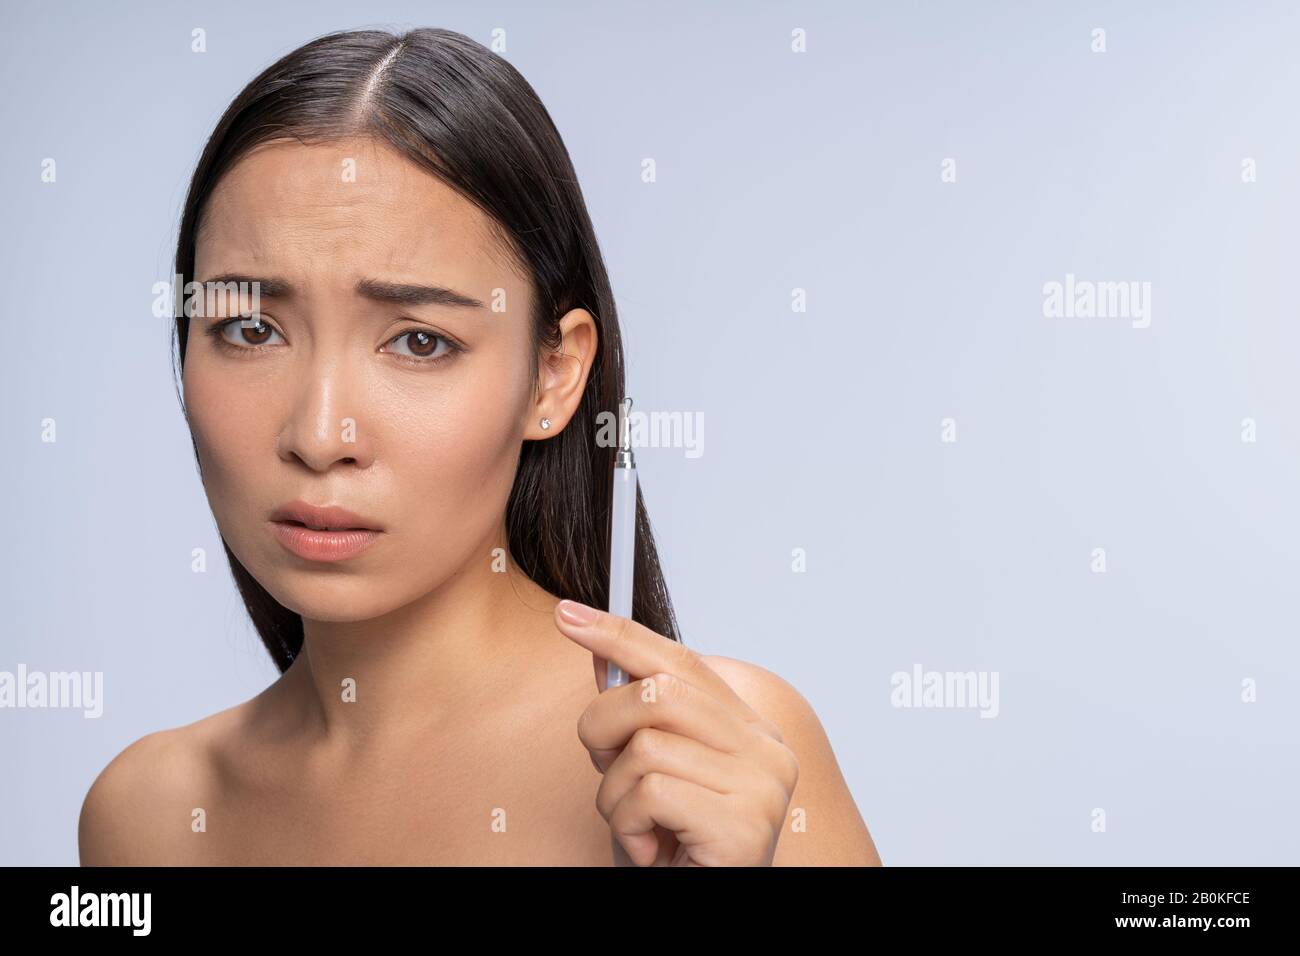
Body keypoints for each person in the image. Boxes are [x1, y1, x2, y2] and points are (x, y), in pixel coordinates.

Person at [77, 27, 881, 866]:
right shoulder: (149, 814)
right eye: (251, 328)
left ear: (553, 377)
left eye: (419, 341)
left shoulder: (715, 756)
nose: (321, 436)